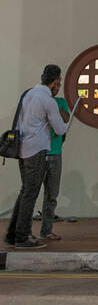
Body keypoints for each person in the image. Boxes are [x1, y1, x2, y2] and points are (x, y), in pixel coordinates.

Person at [5, 64, 70, 248]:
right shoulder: (47, 100)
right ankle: (22, 237)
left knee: (25, 191)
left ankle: (12, 234)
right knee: (31, 194)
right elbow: (60, 128)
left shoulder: (28, 94)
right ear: (56, 81)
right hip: (36, 151)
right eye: (59, 82)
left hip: (21, 149)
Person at [38, 79, 70, 242]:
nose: (56, 89)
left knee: (51, 195)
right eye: (53, 85)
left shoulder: (60, 102)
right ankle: (23, 231)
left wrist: (54, 105)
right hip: (39, 153)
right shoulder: (38, 99)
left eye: (59, 86)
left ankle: (46, 230)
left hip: (56, 153)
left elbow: (66, 118)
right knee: (30, 193)